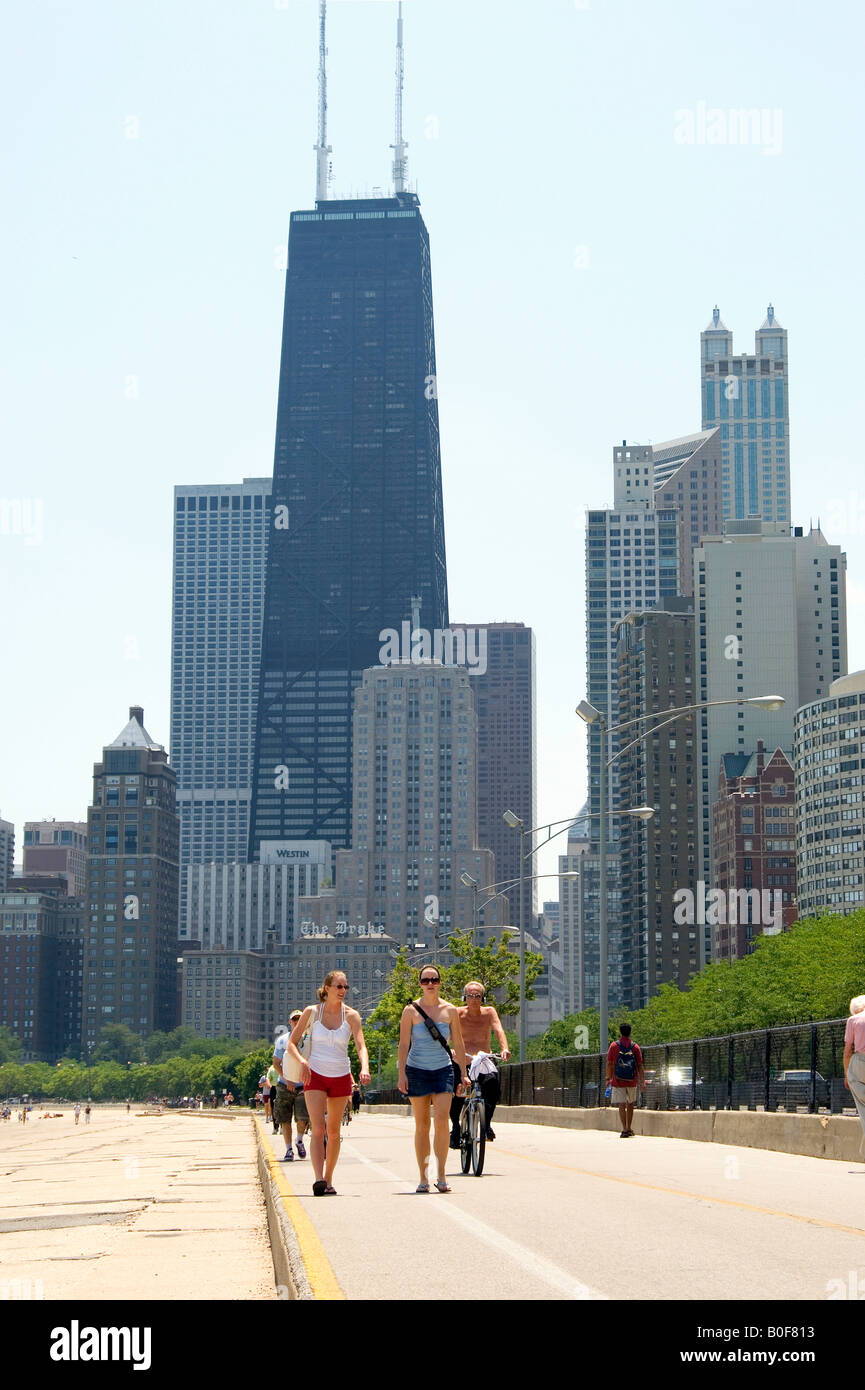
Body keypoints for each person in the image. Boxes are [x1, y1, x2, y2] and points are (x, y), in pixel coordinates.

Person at [286, 973, 370, 1195]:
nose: (343, 990)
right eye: (338, 986)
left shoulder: (351, 1016)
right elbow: (292, 1043)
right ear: (327, 988)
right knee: (318, 1128)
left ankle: (329, 1178)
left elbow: (361, 1045)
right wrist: (302, 1062)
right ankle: (318, 1178)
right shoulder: (312, 1012)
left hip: (340, 1075)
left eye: (345, 987)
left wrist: (364, 1067)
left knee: (333, 1131)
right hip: (315, 1074)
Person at [398, 967, 468, 1194]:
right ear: (420, 983)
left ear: (439, 982)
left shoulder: (450, 1010)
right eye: (426, 980)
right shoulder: (410, 1011)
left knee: (441, 1122)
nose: (430, 983)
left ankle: (442, 1174)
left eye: (434, 980)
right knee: (422, 1125)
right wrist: (402, 1074)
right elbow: (403, 1044)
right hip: (416, 1070)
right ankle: (423, 1177)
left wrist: (463, 1072)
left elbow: (458, 1042)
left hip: (443, 1070)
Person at [449, 980, 510, 1147]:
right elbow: (447, 1033)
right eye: (470, 995)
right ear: (465, 997)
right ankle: (455, 1128)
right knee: (457, 1094)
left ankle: (486, 1124)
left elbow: (499, 1030)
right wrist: (449, 1049)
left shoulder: (489, 1012)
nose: (474, 999)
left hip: (483, 1060)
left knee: (492, 1087)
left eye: (477, 996)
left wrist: (504, 1048)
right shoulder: (457, 1013)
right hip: (462, 1060)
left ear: (483, 998)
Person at [273, 1011, 312, 1162]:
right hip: (285, 1085)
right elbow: (276, 1064)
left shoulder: (309, 1039)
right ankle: (289, 1149)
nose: (297, 1021)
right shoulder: (282, 1040)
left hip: (303, 1085)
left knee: (302, 1117)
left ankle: (299, 1140)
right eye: (294, 1019)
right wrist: (287, 1080)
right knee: (285, 1119)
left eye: (300, 1019)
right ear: (290, 1022)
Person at [606, 1023, 645, 1137]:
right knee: (630, 1104)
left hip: (618, 1080)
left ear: (620, 1032)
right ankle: (629, 1128)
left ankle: (624, 1129)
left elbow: (609, 1063)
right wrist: (642, 1081)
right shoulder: (635, 1047)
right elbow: (640, 1065)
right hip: (632, 1080)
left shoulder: (614, 1046)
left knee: (621, 1104)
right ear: (630, 1032)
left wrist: (608, 1078)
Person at [843, 993, 865, 1155]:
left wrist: (847, 1075)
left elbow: (847, 1052)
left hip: (859, 1062)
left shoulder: (853, 1020)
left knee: (862, 1107)